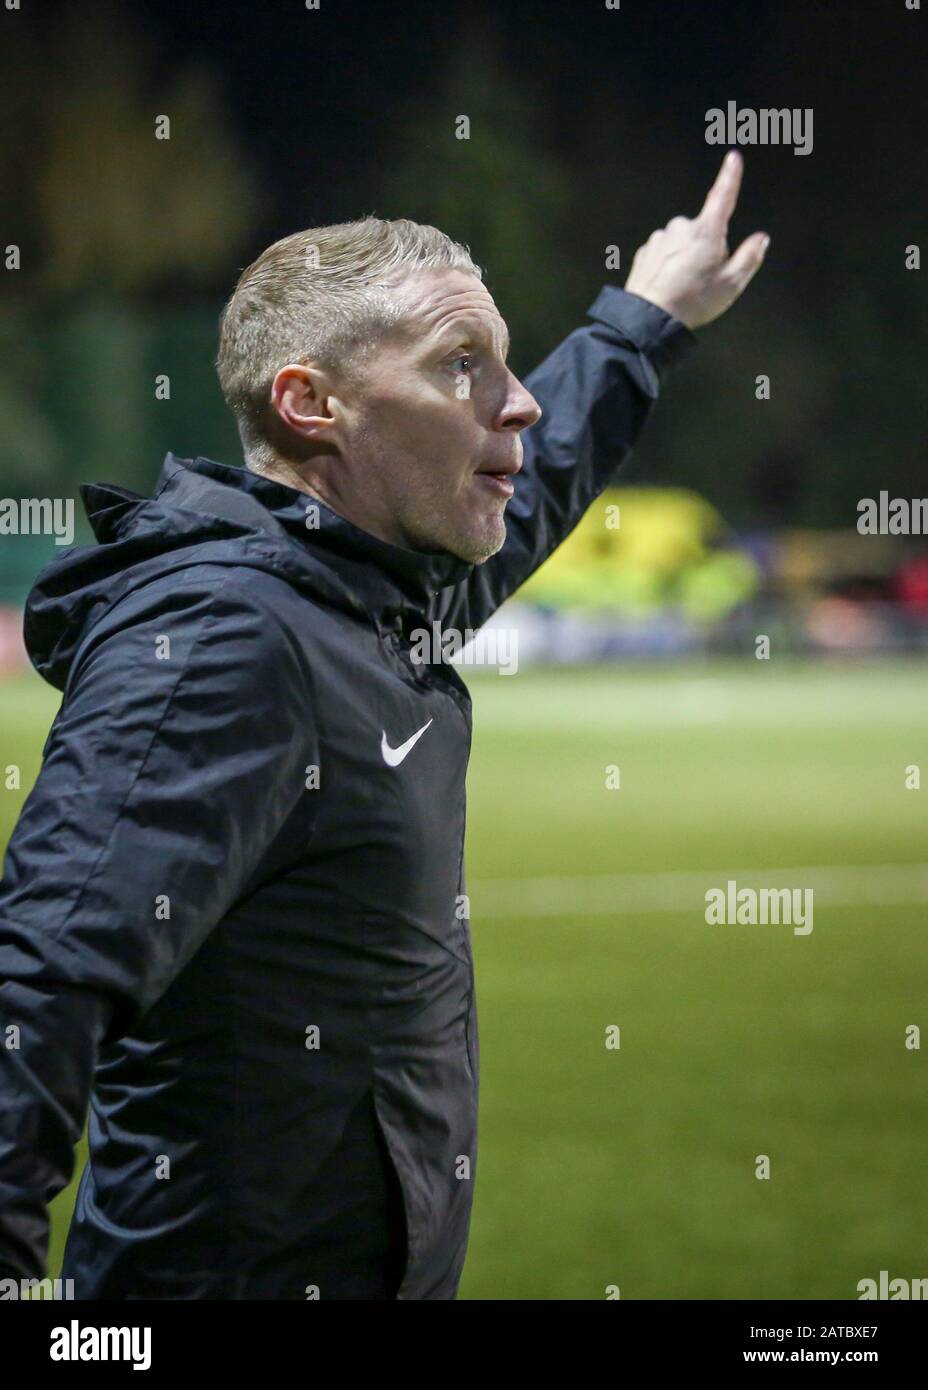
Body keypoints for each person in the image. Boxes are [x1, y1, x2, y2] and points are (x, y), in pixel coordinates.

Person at [0, 153, 767, 1299]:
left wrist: (642, 321)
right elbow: (38, 983)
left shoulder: (358, 596)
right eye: (463, 365)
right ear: (314, 405)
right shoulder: (227, 638)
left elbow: (532, 481)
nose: (514, 401)